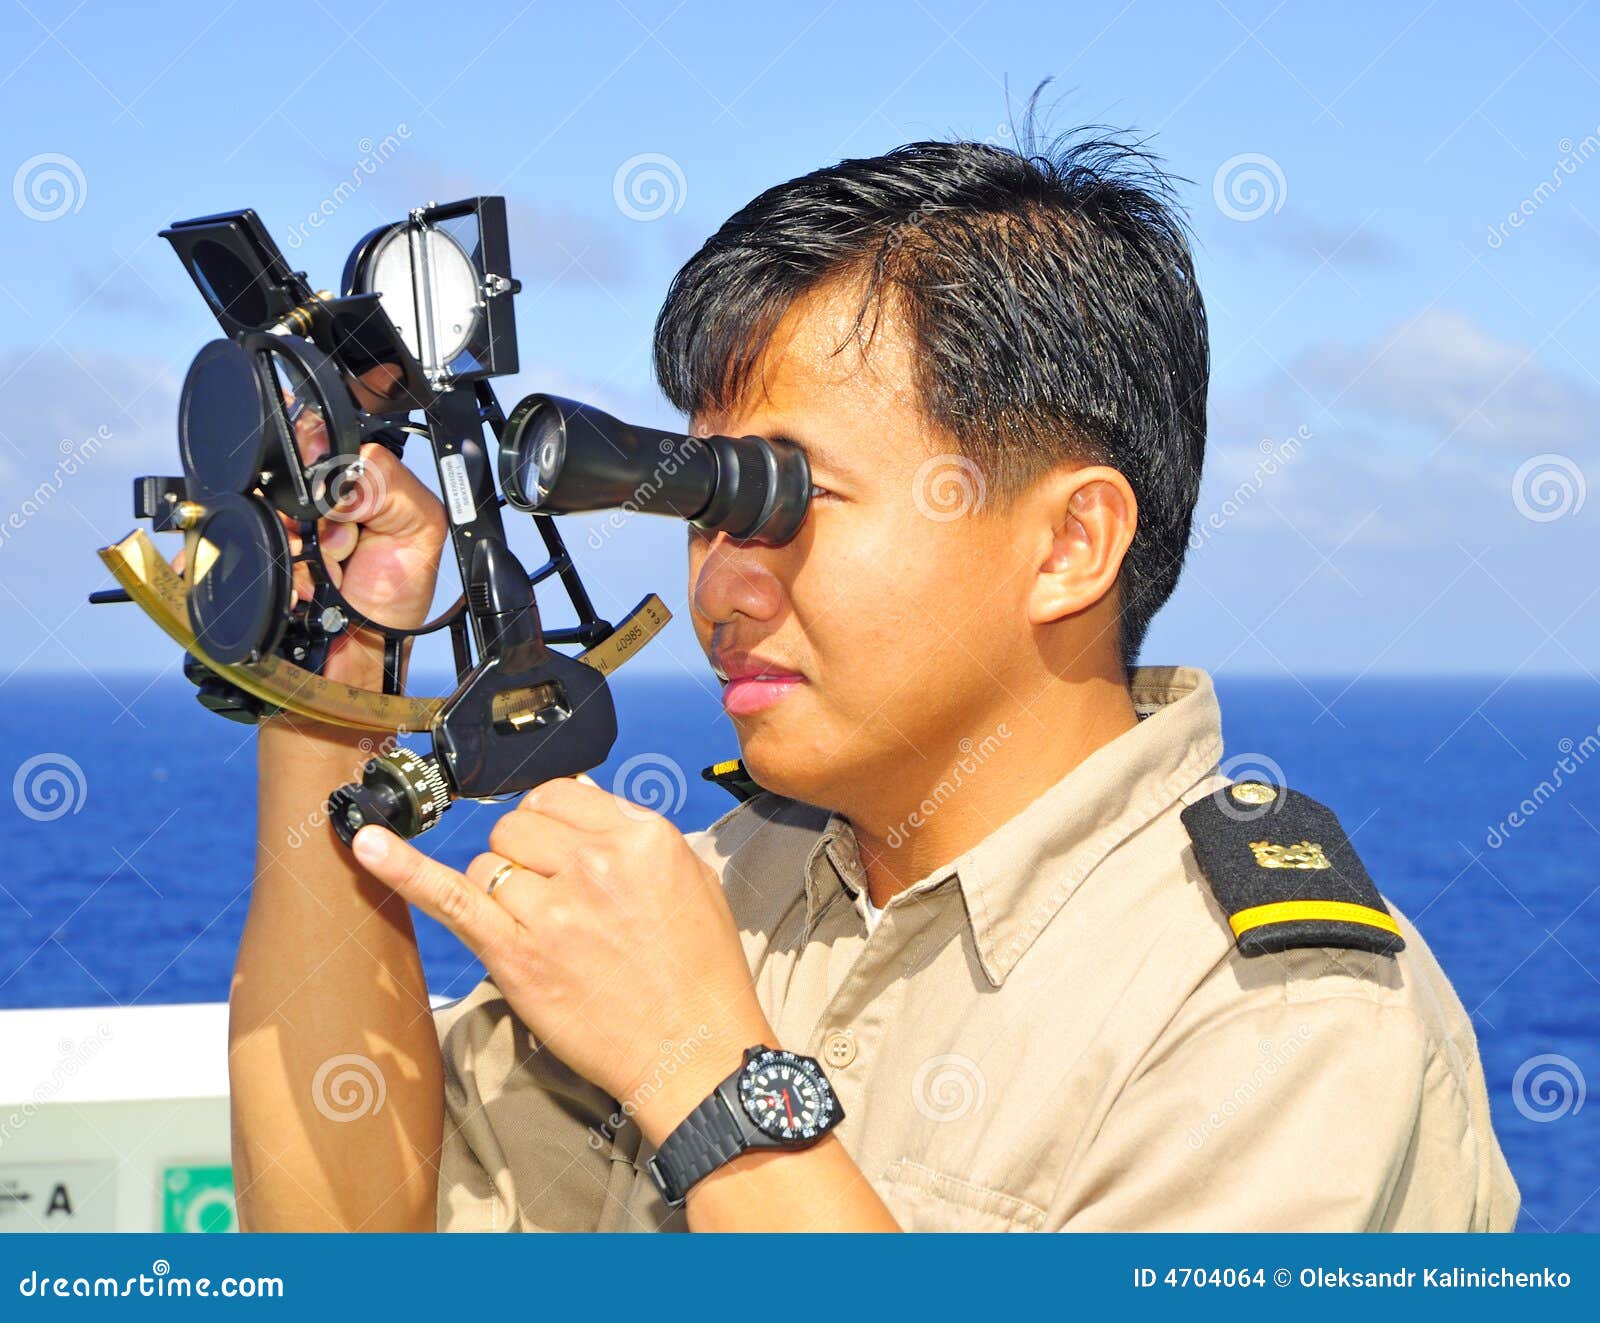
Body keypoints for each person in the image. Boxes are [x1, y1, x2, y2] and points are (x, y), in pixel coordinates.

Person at [228, 127, 1520, 1232]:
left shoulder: (1273, 1016)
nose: (723, 581)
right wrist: (336, 671)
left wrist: (702, 1077)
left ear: (1069, 543)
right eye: (701, 501)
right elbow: (347, 1247)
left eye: (788, 496)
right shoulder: (718, 902)